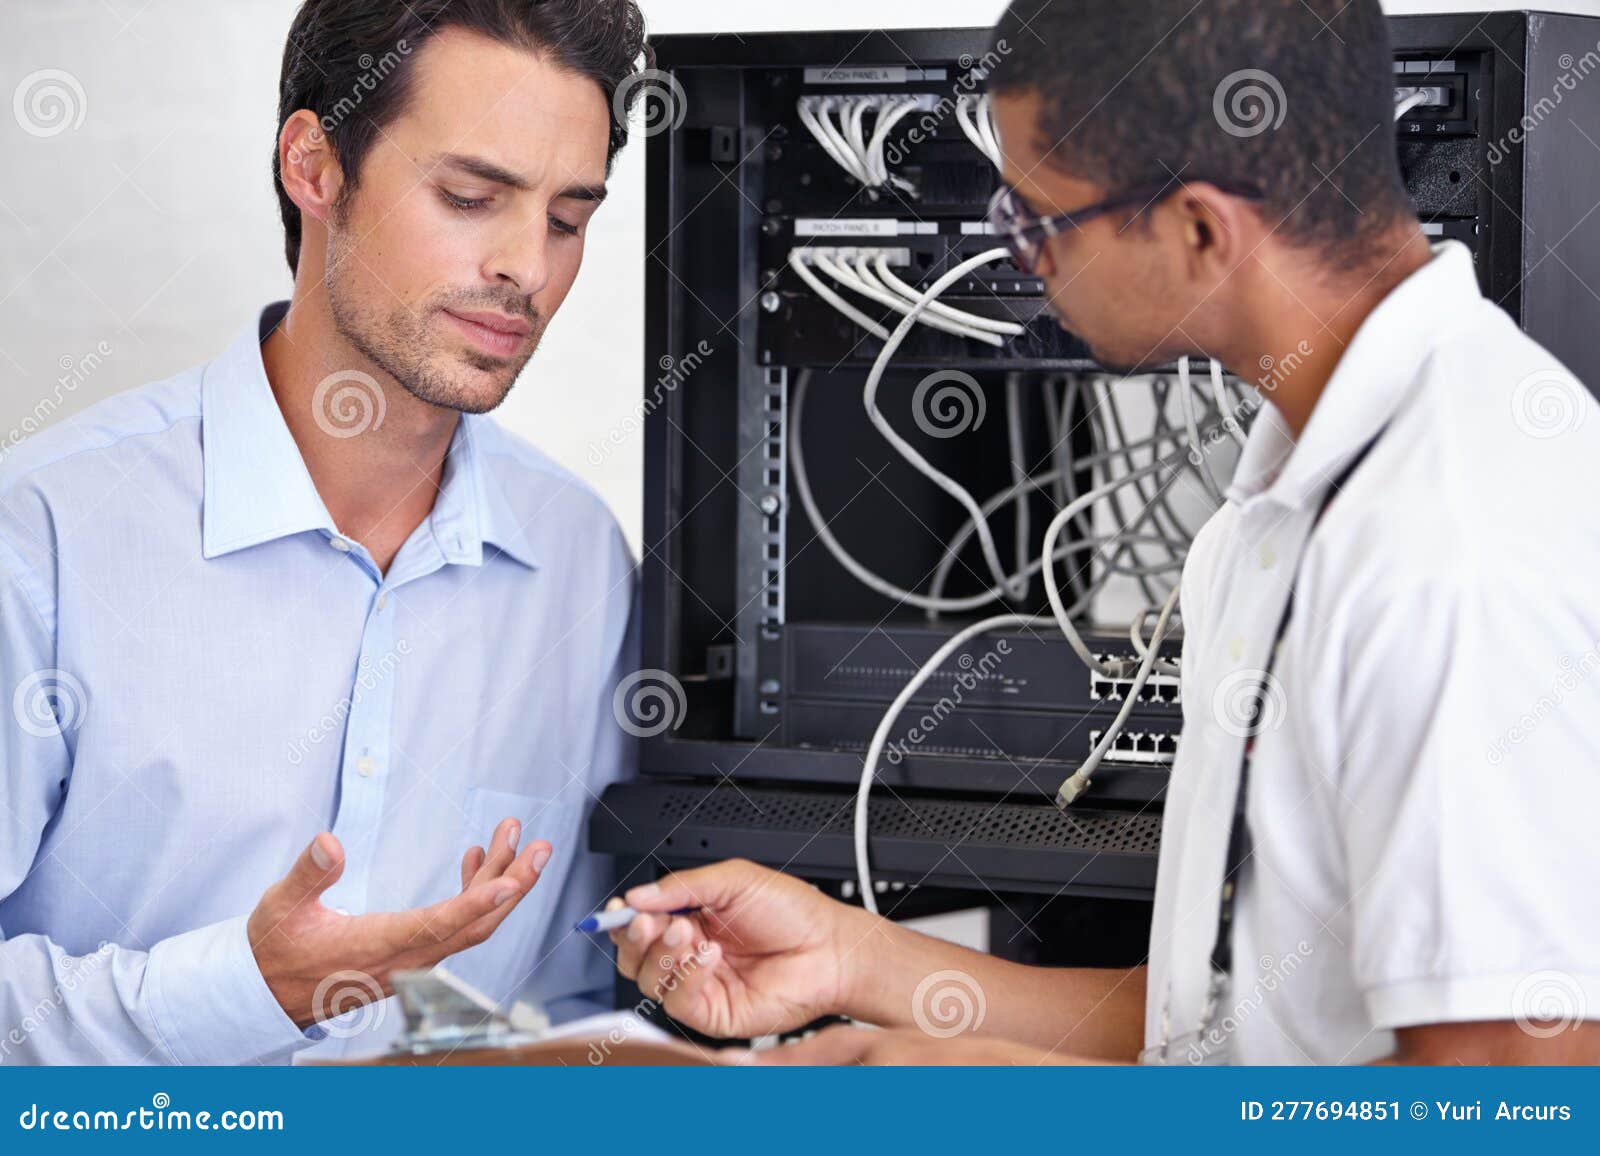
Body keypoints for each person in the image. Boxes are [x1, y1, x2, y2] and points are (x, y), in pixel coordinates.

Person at [609, 0, 1600, 1065]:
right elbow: (1230, 1033)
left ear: (1198, 230)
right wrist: (856, 962)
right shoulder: (1283, 506)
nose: (1021, 255)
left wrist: (1030, 1104)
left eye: (1040, 219)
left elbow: (1514, 1102)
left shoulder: (1452, 547)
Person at [0, 0, 650, 1065]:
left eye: (568, 219)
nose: (528, 268)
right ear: (314, 165)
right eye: (470, 196)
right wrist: (245, 994)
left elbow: (565, 1001)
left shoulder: (577, 563)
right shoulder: (46, 535)